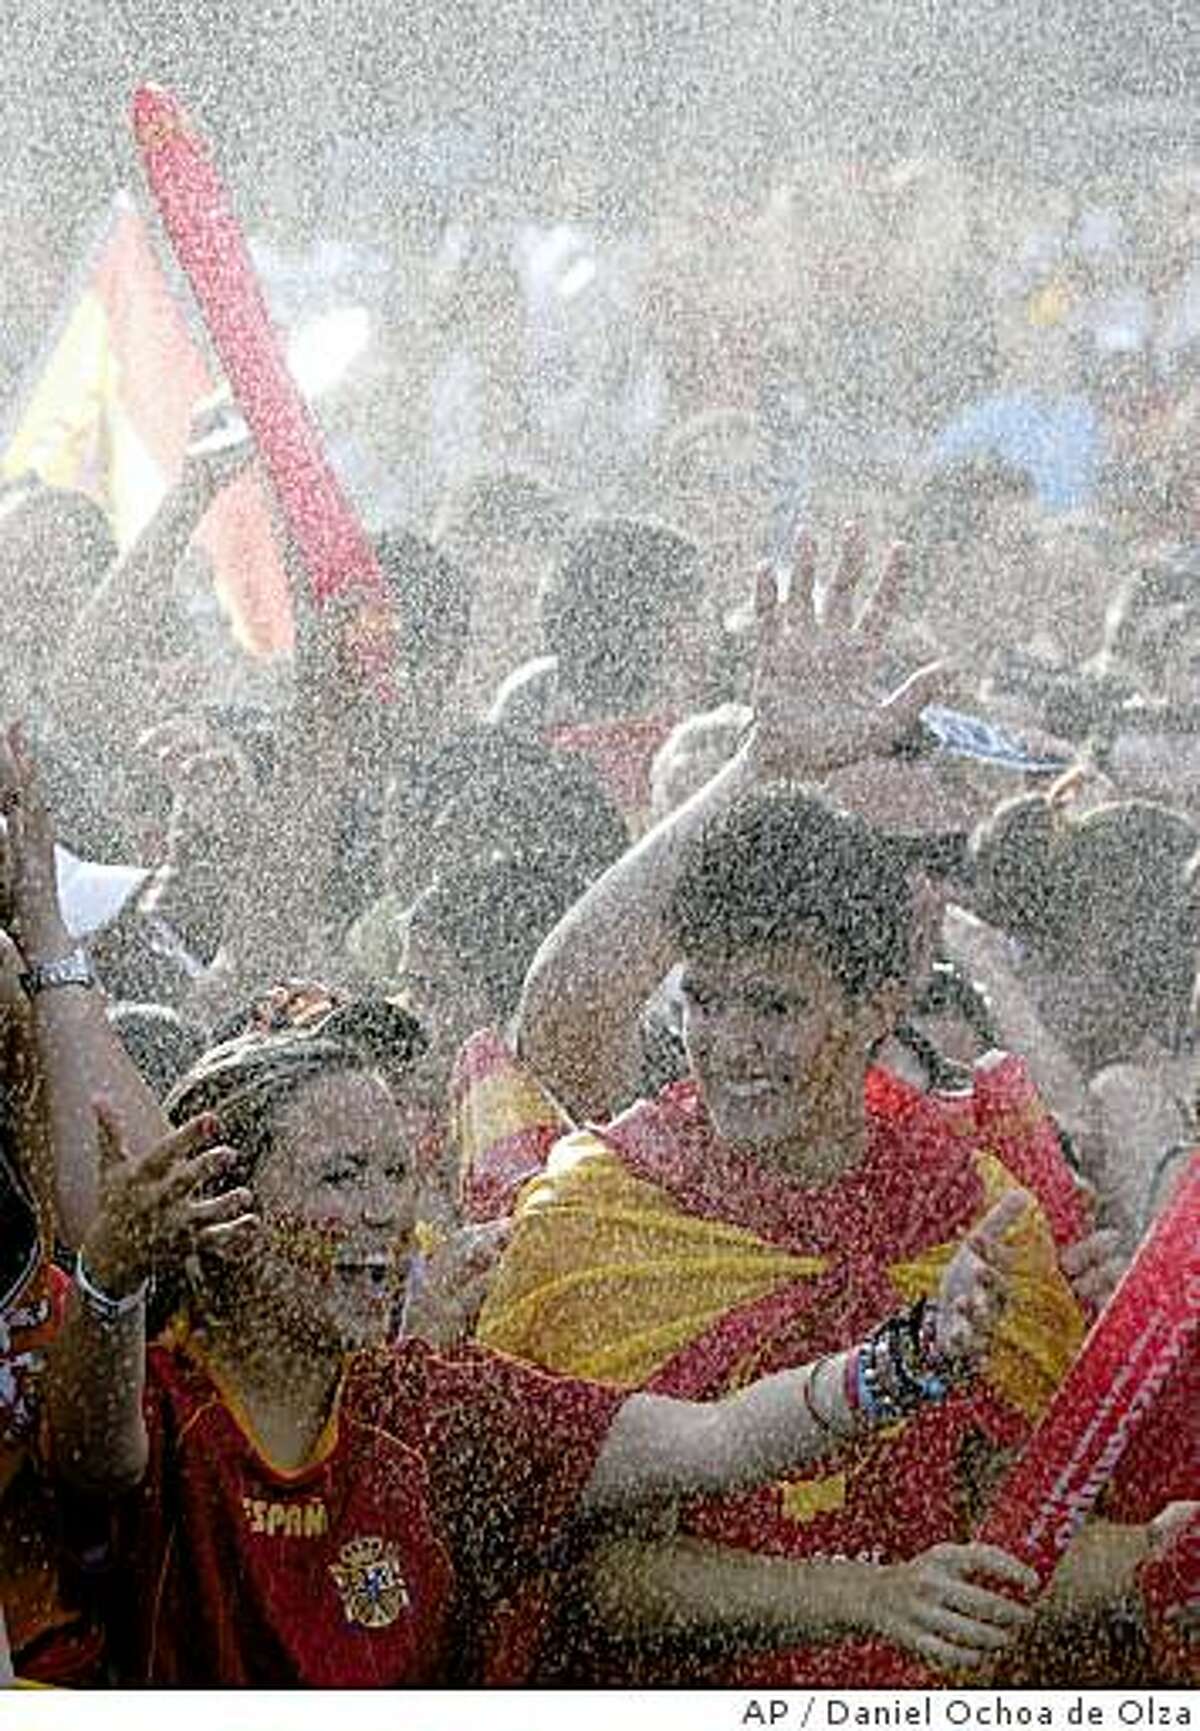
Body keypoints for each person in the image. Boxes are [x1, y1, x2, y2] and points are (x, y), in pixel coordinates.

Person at [476, 540, 1183, 1684]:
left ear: (877, 1008)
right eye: (708, 1002)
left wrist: (1158, 1550)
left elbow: (1007, 1531)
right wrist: (765, 760)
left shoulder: (974, 1205)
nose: (731, 1047)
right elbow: (593, 1574)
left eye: (776, 1008)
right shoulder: (607, 1207)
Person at [40, 1000, 1018, 1687]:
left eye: (395, 1172)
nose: (386, 1213)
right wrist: (114, 1273)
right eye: (341, 1176)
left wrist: (915, 1355)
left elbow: (713, 1441)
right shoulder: (156, 1394)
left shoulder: (434, 1409)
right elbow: (95, 1455)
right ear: (221, 1213)